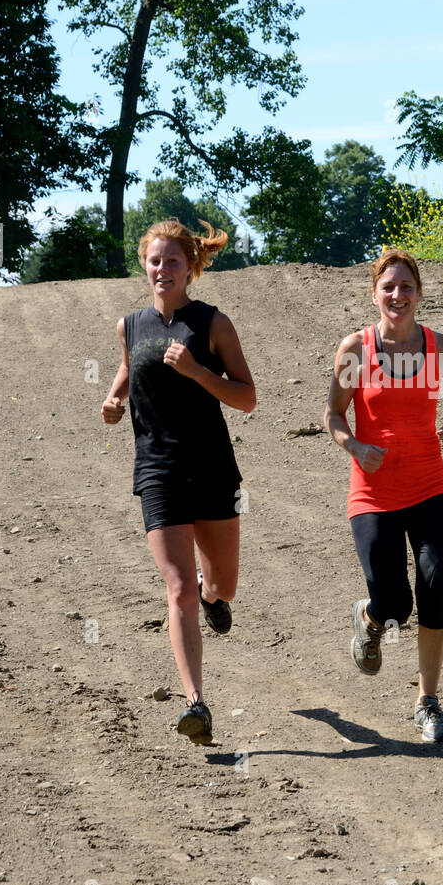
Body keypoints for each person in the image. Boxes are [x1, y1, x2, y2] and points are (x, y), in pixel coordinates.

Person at [101, 219, 256, 746]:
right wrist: (115, 397)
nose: (161, 269)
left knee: (221, 585)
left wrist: (197, 372)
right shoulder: (131, 325)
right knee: (178, 587)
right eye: (153, 260)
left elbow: (247, 397)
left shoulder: (212, 324)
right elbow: (130, 366)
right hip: (158, 470)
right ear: (144, 265)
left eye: (171, 261)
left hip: (213, 468)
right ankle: (197, 703)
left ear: (190, 266)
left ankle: (218, 601)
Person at [324, 248, 443, 742]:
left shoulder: (438, 349)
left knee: (435, 587)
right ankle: (370, 618)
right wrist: (352, 445)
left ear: (419, 293)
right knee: (394, 605)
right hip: (373, 494)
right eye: (388, 287)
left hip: (432, 488)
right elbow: (332, 415)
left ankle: (427, 702)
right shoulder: (358, 349)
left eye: (406, 287)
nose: (398, 295)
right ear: (374, 294)